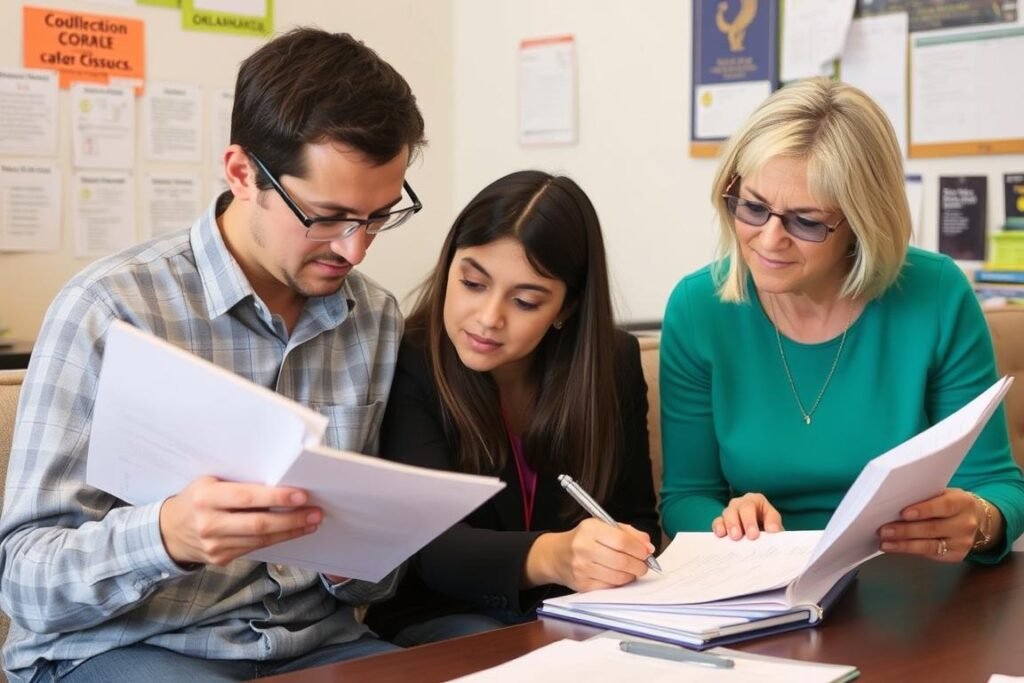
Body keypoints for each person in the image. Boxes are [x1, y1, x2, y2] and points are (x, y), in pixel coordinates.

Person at [0, 28, 425, 682]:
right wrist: (168, 536)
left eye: (378, 217)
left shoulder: (373, 317)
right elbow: (24, 581)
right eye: (328, 216)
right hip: (123, 648)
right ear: (241, 172)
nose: (355, 250)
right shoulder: (111, 309)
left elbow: (372, 585)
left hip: (313, 644)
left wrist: (358, 556)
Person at [660, 77, 1024, 563]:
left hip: (911, 588)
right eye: (753, 207)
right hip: (768, 588)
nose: (768, 241)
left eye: (805, 221)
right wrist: (728, 524)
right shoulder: (697, 307)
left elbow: (998, 486)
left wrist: (978, 521)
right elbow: (684, 497)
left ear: (861, 222)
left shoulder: (935, 294)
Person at [365, 171, 661, 646]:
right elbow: (433, 548)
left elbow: (634, 518)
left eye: (525, 301)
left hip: (574, 614)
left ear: (566, 307)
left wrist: (619, 553)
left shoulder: (612, 364)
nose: (488, 318)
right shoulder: (409, 362)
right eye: (472, 283)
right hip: (441, 617)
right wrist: (556, 556)